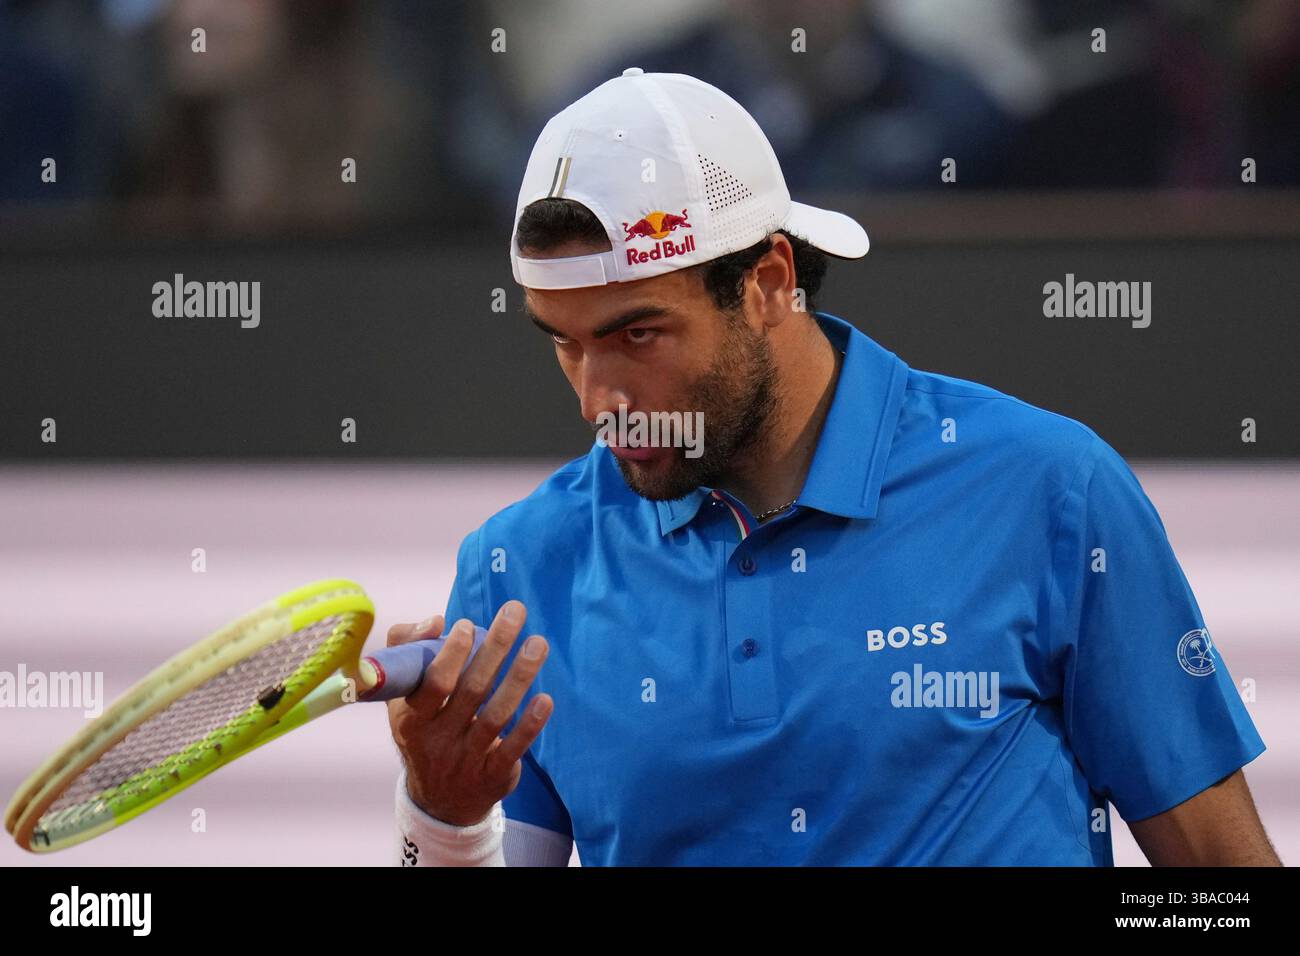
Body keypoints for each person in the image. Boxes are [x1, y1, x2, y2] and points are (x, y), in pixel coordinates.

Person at [387, 68, 1276, 866]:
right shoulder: (517, 567)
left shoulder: (1051, 489)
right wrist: (442, 821)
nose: (599, 400)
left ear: (772, 281)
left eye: (638, 334)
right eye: (567, 346)